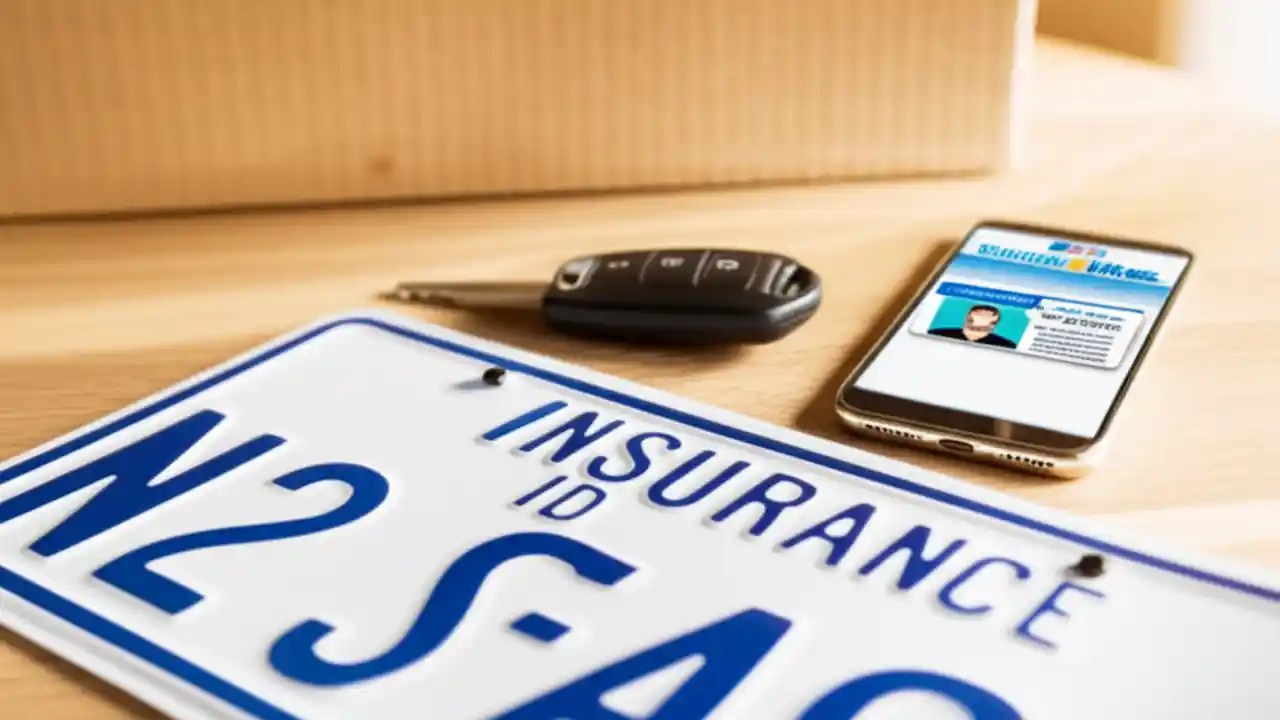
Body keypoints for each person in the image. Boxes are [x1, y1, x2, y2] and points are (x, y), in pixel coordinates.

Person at [928, 304, 1017, 348]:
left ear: (994, 324)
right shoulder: (936, 334)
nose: (981, 317)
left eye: (986, 316)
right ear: (968, 317)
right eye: (979, 314)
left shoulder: (1006, 345)